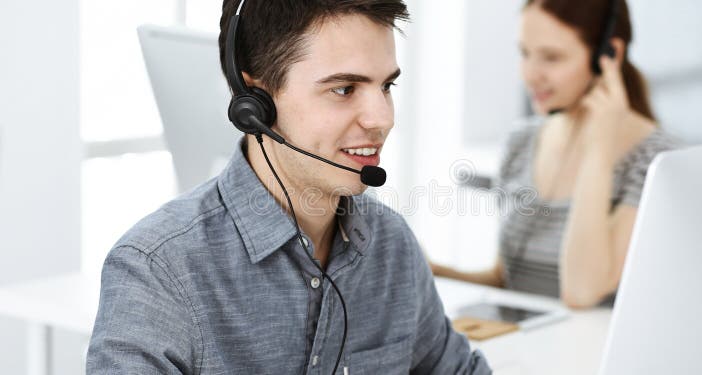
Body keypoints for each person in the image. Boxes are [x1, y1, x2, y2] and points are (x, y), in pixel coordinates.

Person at [86, 1, 491, 374]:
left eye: (386, 86)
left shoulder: (391, 247)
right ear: (254, 101)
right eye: (344, 89)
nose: (382, 118)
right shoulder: (158, 270)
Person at [431, 0, 679, 308]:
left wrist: (598, 149)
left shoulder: (655, 158)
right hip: (528, 349)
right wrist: (432, 272)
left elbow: (581, 292)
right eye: (525, 53)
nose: (530, 75)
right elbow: (507, 279)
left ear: (608, 54)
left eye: (552, 57)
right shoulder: (521, 142)